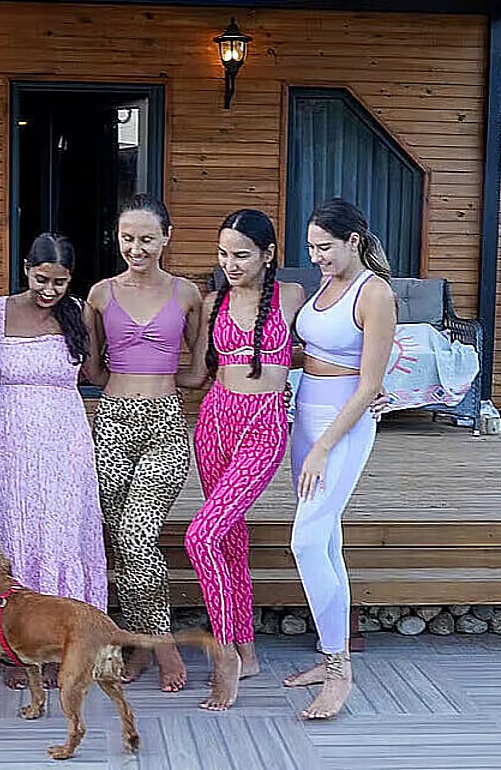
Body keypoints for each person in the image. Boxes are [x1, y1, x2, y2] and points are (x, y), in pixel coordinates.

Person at [176, 209, 305, 711]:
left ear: (268, 254)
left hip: (264, 425)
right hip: (214, 422)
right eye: (224, 253)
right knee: (228, 539)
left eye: (242, 254)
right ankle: (247, 652)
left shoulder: (292, 297)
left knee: (200, 535)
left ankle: (225, 654)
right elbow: (193, 373)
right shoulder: (213, 302)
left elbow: (330, 343)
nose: (230, 263)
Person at [83, 193, 203, 693]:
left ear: (166, 239)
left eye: (147, 238)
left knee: (138, 534)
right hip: (111, 420)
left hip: (166, 421)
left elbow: (197, 369)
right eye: (128, 238)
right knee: (124, 542)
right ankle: (138, 644)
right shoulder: (100, 294)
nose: (137, 247)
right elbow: (91, 366)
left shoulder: (188, 294)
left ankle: (164, 647)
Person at [0, 232, 109, 689]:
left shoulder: (76, 314)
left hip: (65, 439)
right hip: (10, 438)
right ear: (26, 269)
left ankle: (67, 644)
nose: (50, 290)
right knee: (16, 529)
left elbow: (96, 373)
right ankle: (17, 649)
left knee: (61, 530)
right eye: (41, 279)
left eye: (60, 281)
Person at [284, 198, 396, 720]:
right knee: (326, 540)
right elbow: (308, 354)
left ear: (353, 240)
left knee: (305, 539)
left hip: (342, 427)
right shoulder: (324, 287)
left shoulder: (374, 293)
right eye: (311, 248)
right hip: (302, 416)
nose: (317, 257)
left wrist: (325, 444)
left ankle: (339, 666)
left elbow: (369, 384)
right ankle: (330, 649)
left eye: (325, 247)